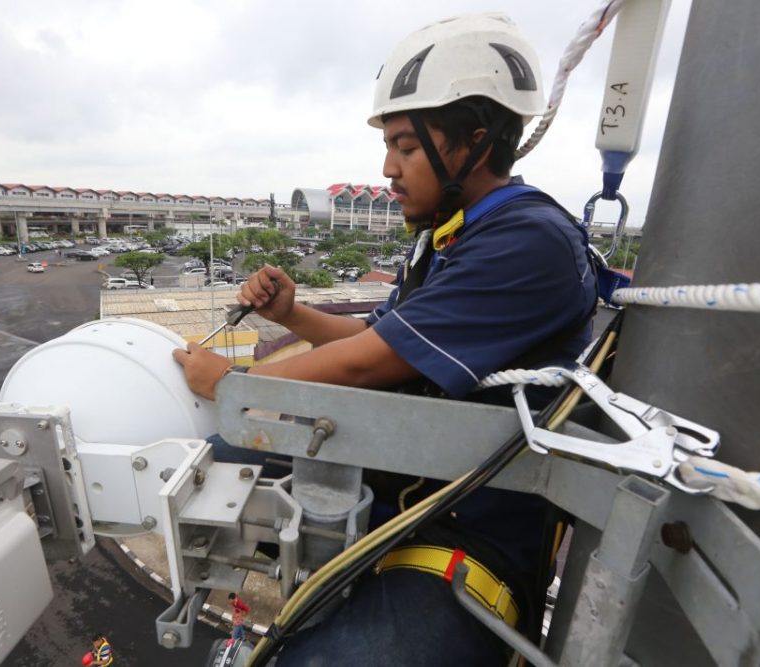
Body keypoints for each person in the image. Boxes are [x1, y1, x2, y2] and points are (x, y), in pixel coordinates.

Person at [174, 13, 595, 665]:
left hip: (470, 524)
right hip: (410, 480)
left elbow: (371, 366)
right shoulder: (458, 234)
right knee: (215, 460)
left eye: (405, 146)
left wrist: (232, 387)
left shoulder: (526, 243)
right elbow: (384, 339)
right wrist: (294, 314)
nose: (388, 167)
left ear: (474, 144)